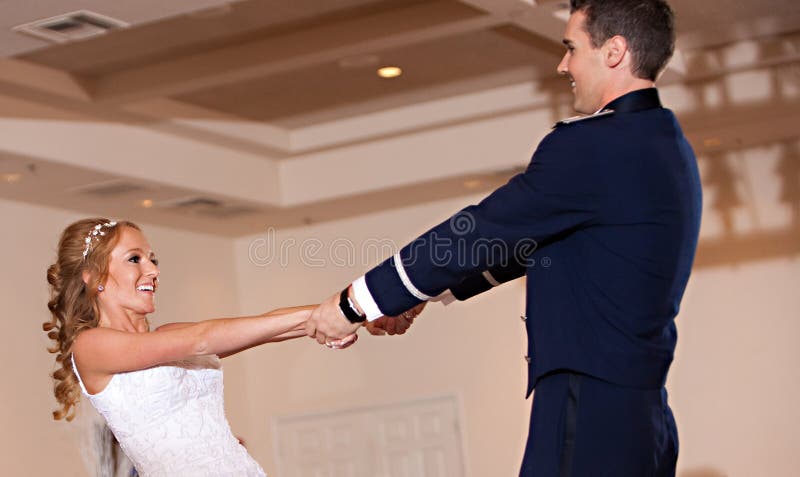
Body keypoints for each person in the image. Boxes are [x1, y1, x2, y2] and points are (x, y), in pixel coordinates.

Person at [305, 0, 701, 475]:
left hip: (588, 407)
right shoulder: (669, 146)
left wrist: (355, 304)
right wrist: (422, 296)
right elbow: (543, 247)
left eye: (571, 48)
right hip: (645, 415)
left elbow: (482, 231)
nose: (563, 65)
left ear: (614, 51)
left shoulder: (592, 144)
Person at [43, 218, 355, 476]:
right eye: (135, 259)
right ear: (93, 276)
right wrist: (341, 311)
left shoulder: (168, 336)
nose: (153, 270)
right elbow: (202, 338)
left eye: (152, 259)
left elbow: (264, 326)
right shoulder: (92, 346)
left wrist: (355, 311)